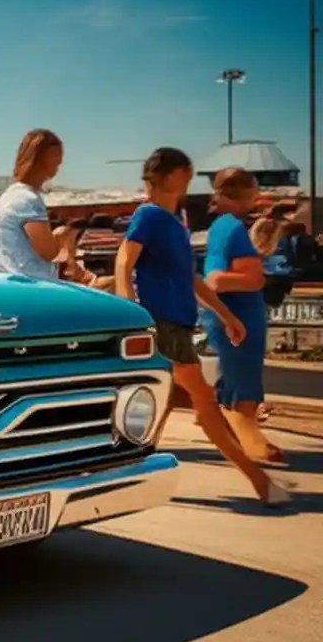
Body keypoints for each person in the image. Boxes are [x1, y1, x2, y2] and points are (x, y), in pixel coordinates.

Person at [115, 148, 289, 505]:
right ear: (172, 176)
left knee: (161, 403)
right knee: (205, 404)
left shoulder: (174, 223)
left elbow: (190, 278)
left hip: (175, 324)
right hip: (160, 323)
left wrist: (227, 316)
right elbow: (123, 260)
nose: (192, 179)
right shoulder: (148, 216)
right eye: (187, 172)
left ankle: (125, 471)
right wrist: (130, 310)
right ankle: (258, 481)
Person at [201, 168, 283, 462]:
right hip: (238, 315)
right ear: (247, 194)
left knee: (236, 377)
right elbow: (217, 279)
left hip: (232, 314)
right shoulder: (232, 228)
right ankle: (251, 444)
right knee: (243, 381)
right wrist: (256, 278)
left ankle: (235, 435)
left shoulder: (223, 226)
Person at [0, 129, 66, 279]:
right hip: (32, 286)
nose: (60, 160)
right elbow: (48, 252)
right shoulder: (27, 199)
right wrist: (63, 235)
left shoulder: (11, 194)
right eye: (55, 155)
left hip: (13, 284)